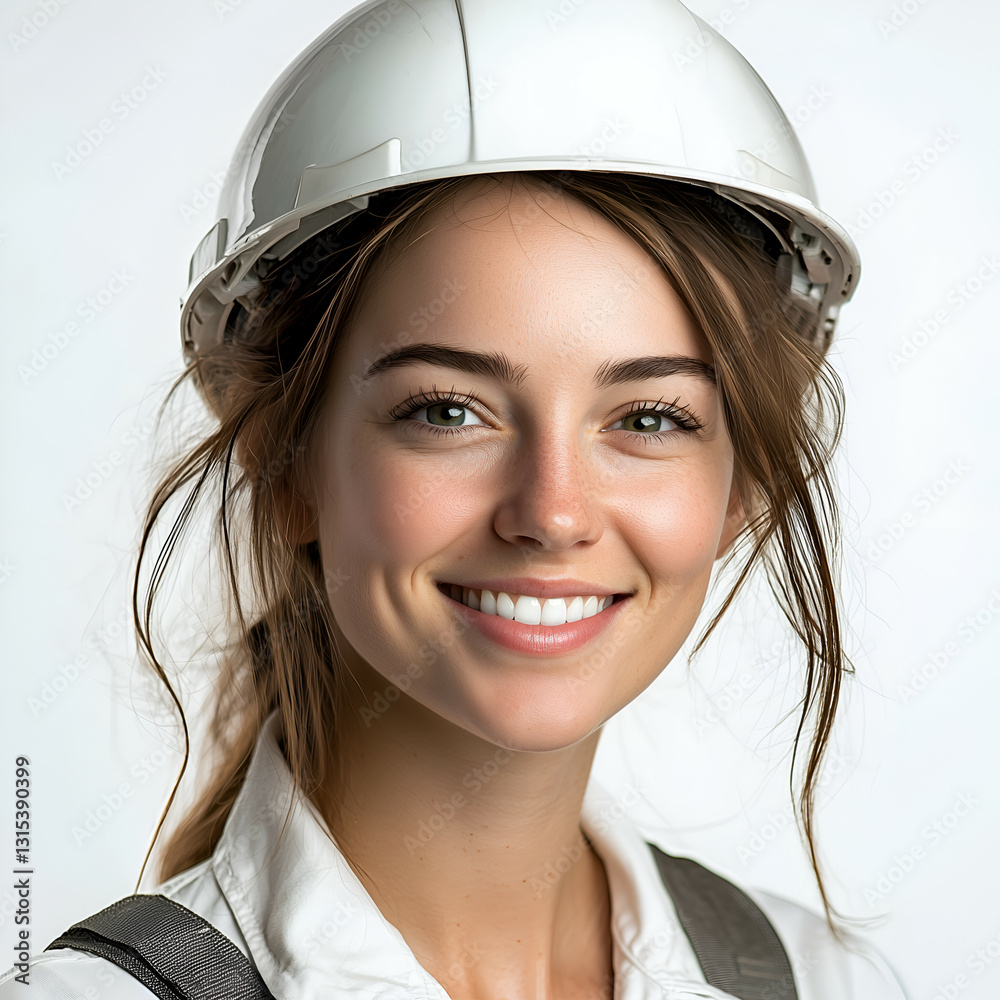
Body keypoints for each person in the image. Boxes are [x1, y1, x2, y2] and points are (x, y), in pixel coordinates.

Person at [2, 1, 910, 998]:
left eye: (649, 419)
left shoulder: (822, 979)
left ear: (740, 486)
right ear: (285, 464)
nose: (553, 512)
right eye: (447, 411)